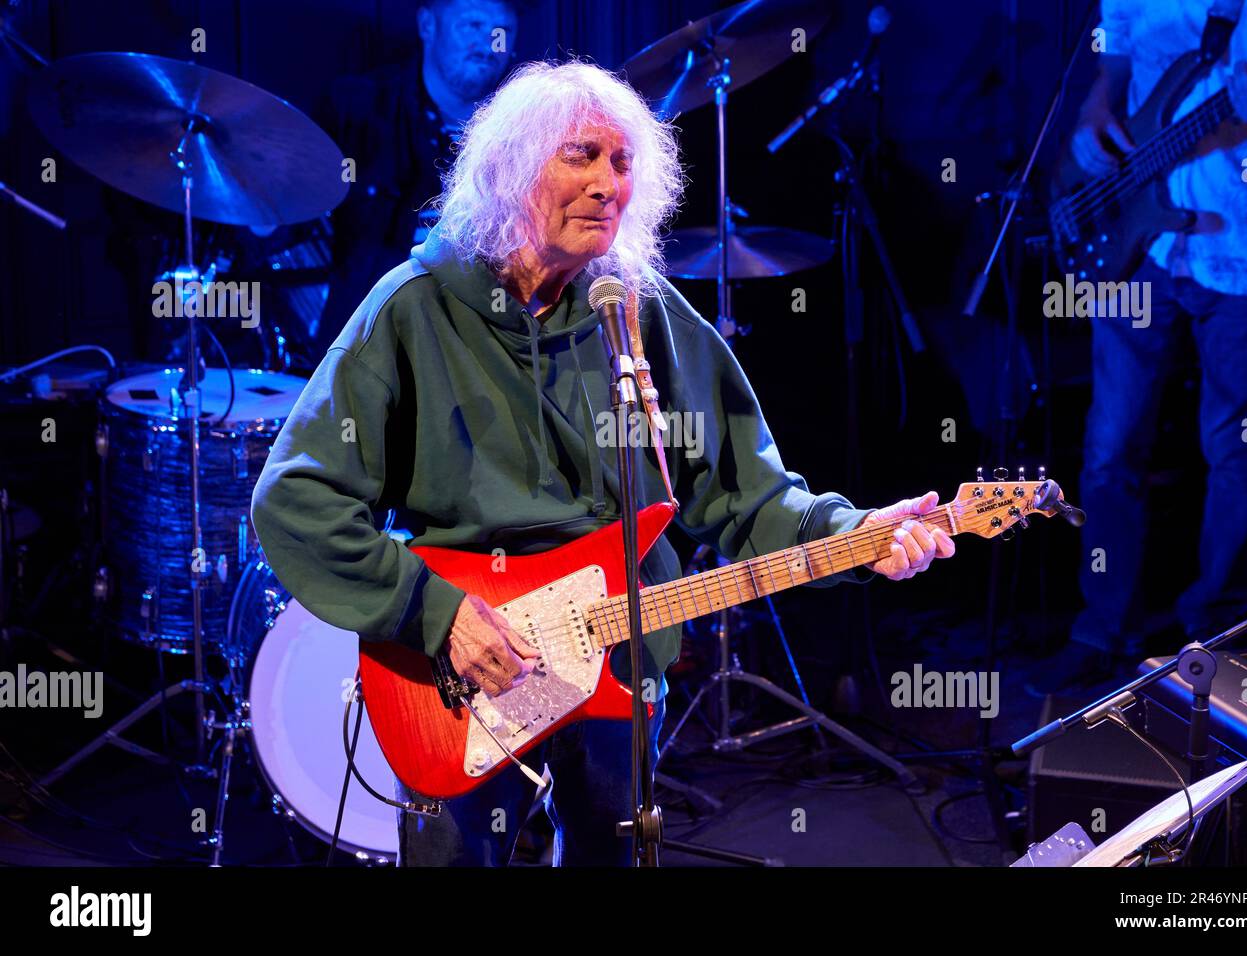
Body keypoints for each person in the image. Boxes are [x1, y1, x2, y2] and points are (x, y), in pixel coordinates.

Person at [251, 60, 955, 867]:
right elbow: (296, 498)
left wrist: (856, 532)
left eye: (623, 163)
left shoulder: (638, 308)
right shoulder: (413, 309)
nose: (606, 184)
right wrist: (436, 615)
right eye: (580, 155)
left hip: (619, 659)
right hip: (471, 671)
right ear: (513, 170)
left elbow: (747, 494)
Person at [1051, 0, 1247, 690]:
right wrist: (1096, 103)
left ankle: (1216, 647)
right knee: (1108, 446)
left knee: (1236, 454)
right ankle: (1103, 627)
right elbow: (1118, 41)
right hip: (1143, 230)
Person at [315, 0, 520, 358]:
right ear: (428, 25)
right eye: (471, 25)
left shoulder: (525, 124)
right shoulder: (359, 109)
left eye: (500, 31)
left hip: (492, 342)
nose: (488, 44)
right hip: (377, 337)